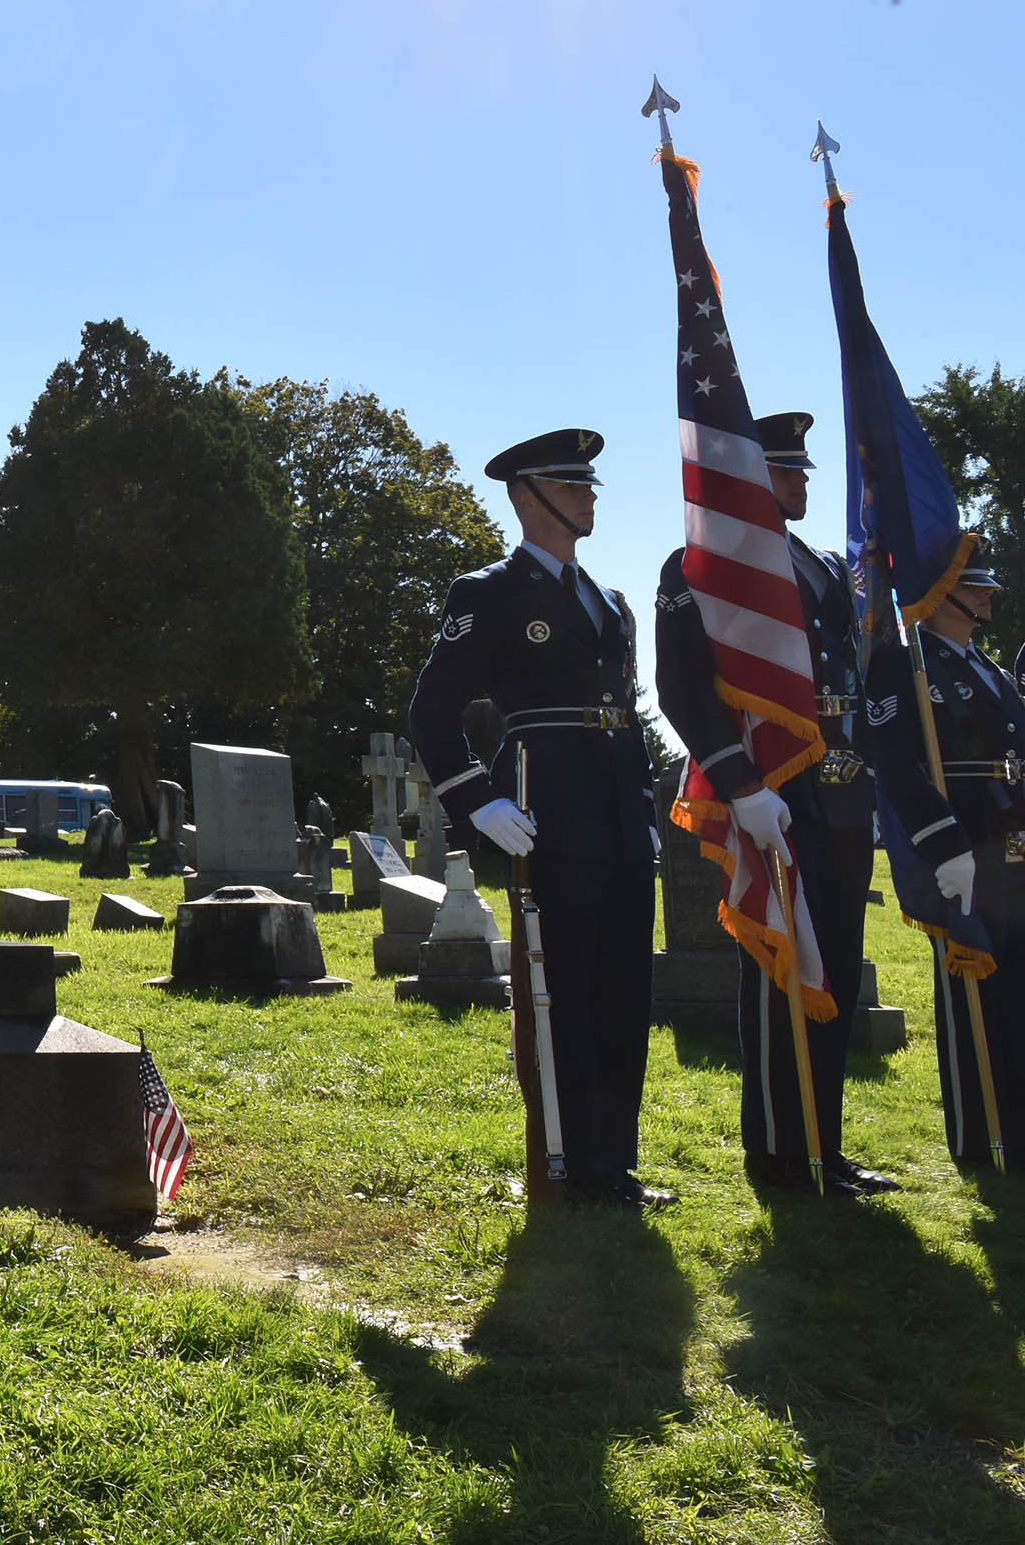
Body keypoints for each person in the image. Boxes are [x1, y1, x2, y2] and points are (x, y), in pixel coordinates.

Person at [408, 430, 668, 1208]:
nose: (587, 495)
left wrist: (643, 809)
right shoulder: (488, 592)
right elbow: (432, 712)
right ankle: (568, 1163)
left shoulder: (609, 602)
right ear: (527, 496)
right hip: (547, 813)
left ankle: (614, 1162)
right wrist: (476, 799)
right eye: (569, 483)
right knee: (564, 992)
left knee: (624, 993)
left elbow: (624, 716)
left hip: (618, 816)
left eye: (589, 483)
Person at [652, 413, 897, 1195]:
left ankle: (825, 1146)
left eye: (801, 471)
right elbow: (682, 687)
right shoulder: (701, 567)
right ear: (750, 480)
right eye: (786, 471)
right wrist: (741, 785)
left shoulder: (822, 566)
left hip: (840, 797)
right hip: (773, 794)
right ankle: (781, 1153)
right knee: (779, 969)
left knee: (836, 976)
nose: (800, 483)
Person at [853, 542, 1015, 1167]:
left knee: (1017, 988)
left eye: (986, 587)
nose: (986, 595)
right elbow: (895, 763)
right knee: (974, 987)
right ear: (938, 594)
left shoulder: (989, 669)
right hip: (963, 844)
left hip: (1010, 845)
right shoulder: (905, 667)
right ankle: (983, 1136)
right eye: (972, 587)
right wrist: (942, 843)